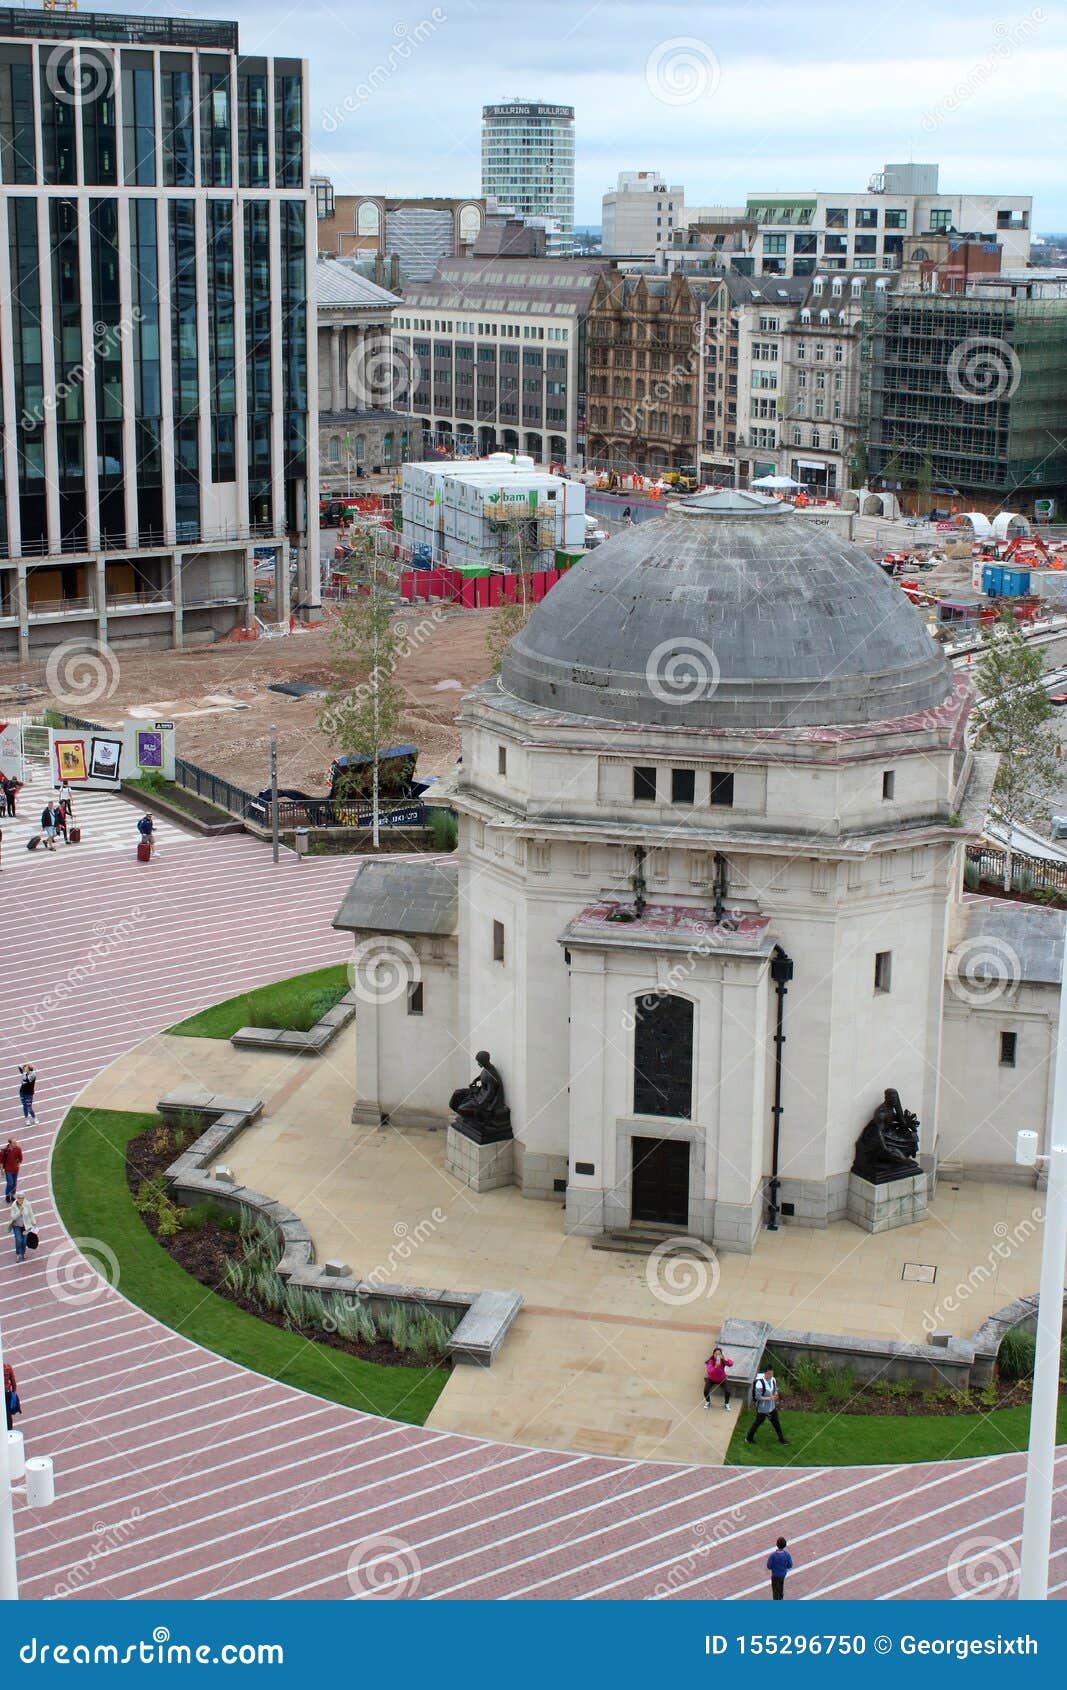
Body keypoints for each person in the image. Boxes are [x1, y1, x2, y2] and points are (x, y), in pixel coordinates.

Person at [745, 1365, 789, 1447]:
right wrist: (770, 1398)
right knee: (758, 1422)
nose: (770, 1375)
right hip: (762, 1408)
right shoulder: (759, 1382)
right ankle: (748, 1438)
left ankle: (781, 1439)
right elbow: (758, 1397)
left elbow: (775, 1389)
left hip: (771, 1407)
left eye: (772, 1373)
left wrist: (776, 1394)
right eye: (768, 1373)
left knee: (776, 1422)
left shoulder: (773, 1379)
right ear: (764, 1373)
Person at [703, 1345, 734, 1410]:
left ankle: (726, 1403)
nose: (717, 1355)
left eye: (719, 1354)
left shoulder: (723, 1360)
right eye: (716, 1354)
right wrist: (716, 1366)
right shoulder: (711, 1361)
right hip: (711, 1379)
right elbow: (709, 1371)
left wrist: (726, 1359)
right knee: (705, 1390)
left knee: (728, 1391)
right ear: (713, 1354)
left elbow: (731, 1364)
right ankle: (708, 1402)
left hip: (722, 1379)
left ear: (721, 1354)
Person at [8, 1191, 36, 1261]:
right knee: (19, 1240)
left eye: (22, 1198)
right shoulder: (14, 1205)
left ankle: (23, 1254)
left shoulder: (27, 1204)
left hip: (25, 1226)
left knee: (24, 1241)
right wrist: (19, 1211)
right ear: (17, 1198)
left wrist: (34, 1222)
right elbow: (13, 1217)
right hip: (16, 1225)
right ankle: (18, 1254)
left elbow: (31, 1214)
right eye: (19, 1198)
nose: (20, 1199)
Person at [1, 1134, 23, 1202]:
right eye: (14, 1143)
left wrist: (18, 1164)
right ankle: (7, 1195)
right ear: (10, 1143)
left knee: (14, 1183)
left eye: (16, 1142)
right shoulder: (4, 1151)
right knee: (10, 1183)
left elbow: (21, 1158)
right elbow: (1, 1161)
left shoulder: (18, 1149)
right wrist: (1, 1170)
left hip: (15, 1170)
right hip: (8, 1170)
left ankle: (12, 1195)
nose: (16, 1144)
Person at [3, 1361, 19, 1432]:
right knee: (8, 1413)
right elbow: (13, 1381)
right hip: (7, 1393)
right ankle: (9, 1429)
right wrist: (14, 1391)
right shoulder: (8, 1367)